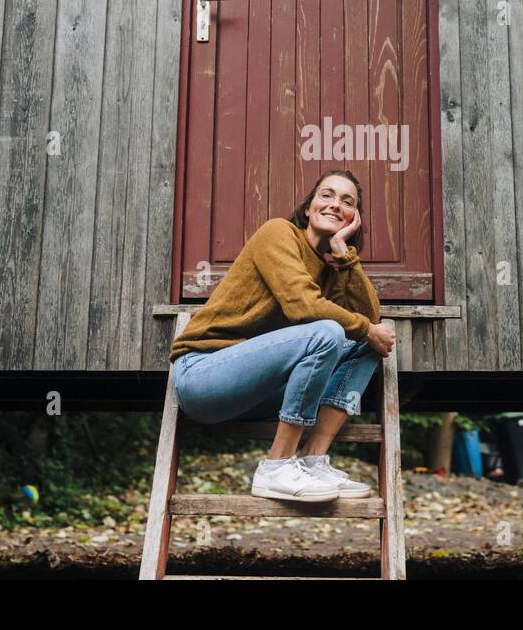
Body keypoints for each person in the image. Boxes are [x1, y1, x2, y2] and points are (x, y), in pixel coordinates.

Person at [169, 169, 397, 502]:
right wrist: (364, 327)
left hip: (259, 391)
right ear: (308, 207)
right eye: (327, 195)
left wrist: (344, 254)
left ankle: (312, 458)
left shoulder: (331, 270)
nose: (335, 205)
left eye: (347, 202)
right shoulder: (278, 233)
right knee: (330, 331)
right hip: (204, 376)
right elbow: (303, 305)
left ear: (354, 217)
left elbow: (370, 319)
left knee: (365, 344)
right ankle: (276, 468)